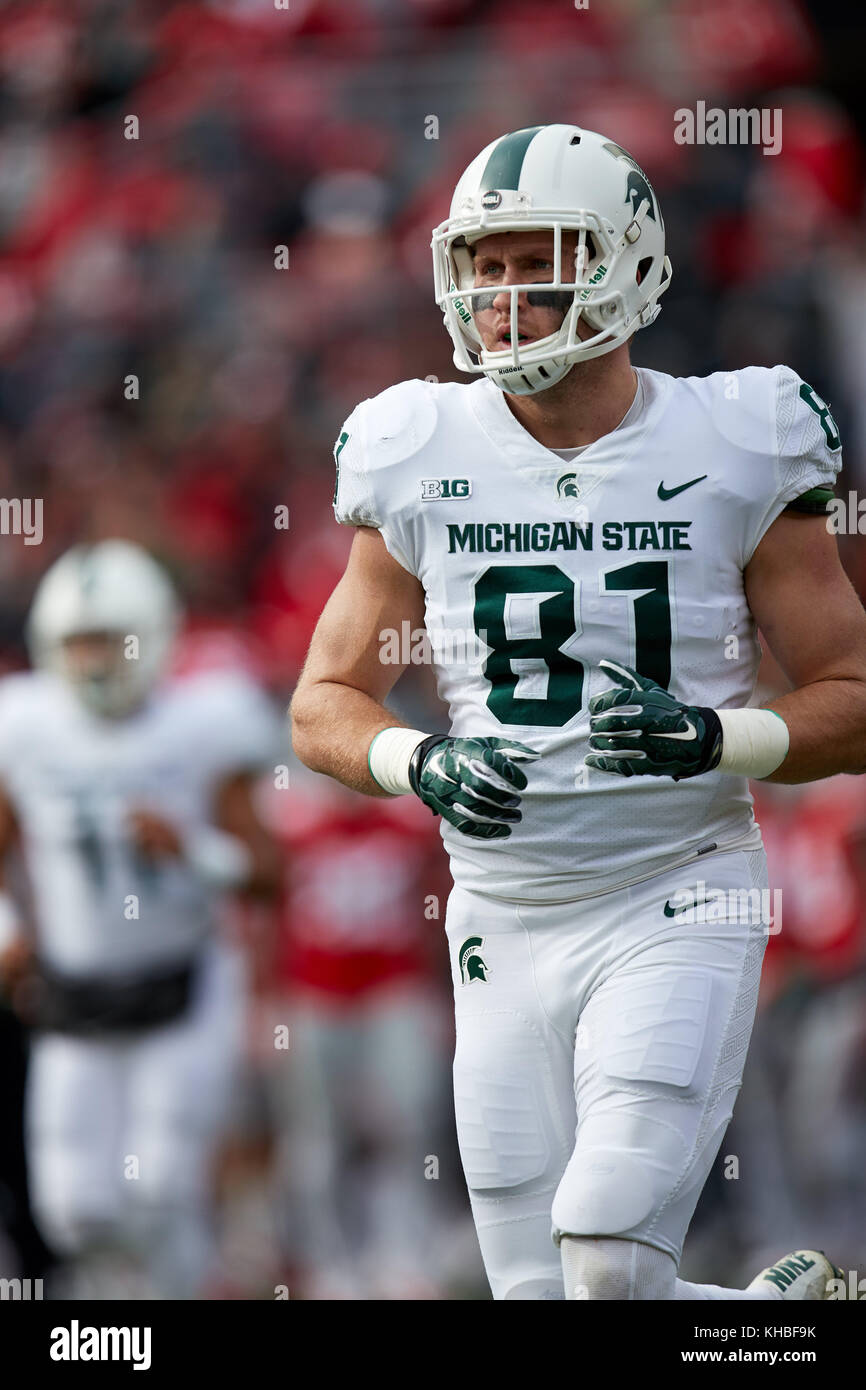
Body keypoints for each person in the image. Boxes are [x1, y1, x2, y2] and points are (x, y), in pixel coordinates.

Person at [290, 124, 865, 1300]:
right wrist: (416, 759)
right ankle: (770, 1325)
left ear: (628, 264)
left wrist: (719, 735)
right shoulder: (414, 445)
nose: (502, 296)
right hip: (498, 912)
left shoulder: (736, 435)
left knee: (603, 1257)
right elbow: (322, 703)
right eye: (483, 266)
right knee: (539, 1299)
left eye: (535, 257)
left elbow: (853, 699)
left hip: (677, 885)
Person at [0, 540, 281, 1298]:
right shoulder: (23, 725)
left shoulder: (203, 724)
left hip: (181, 985)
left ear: (152, 633)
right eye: (77, 642)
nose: (93, 660)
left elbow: (269, 876)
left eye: (107, 639)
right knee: (75, 1210)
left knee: (160, 1190)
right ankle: (101, 1331)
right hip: (74, 995)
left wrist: (191, 850)